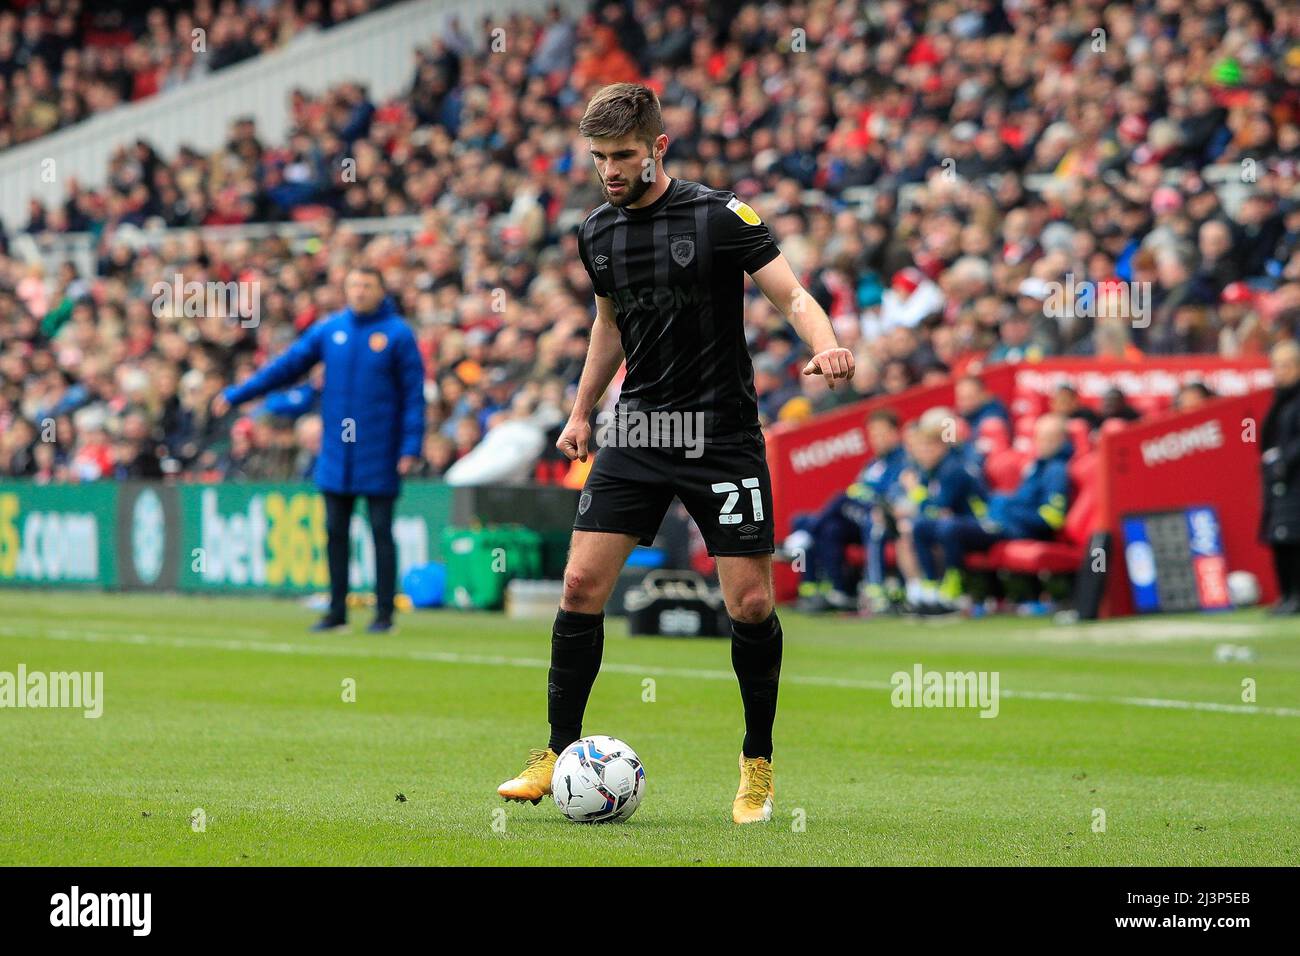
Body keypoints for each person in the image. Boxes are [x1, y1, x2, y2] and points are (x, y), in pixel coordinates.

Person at [495, 83, 854, 824]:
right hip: (639, 430)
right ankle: (557, 752)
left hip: (721, 434)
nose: (610, 171)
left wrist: (826, 345)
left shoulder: (720, 216)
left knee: (750, 602)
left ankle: (757, 763)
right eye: (598, 159)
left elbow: (791, 295)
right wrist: (581, 410)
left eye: (623, 156)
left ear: (659, 147)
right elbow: (609, 324)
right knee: (578, 588)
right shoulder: (596, 230)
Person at [212, 267, 426, 633]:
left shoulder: (397, 335)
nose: (359, 291)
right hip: (336, 453)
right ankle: (336, 611)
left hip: (379, 450)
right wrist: (238, 394)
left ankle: (384, 614)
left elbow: (413, 398)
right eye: (354, 284)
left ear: (380, 290)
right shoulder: (330, 329)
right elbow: (286, 366)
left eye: (367, 285)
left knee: (380, 531)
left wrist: (409, 447)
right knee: (334, 532)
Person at [911, 414, 1073, 613]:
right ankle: (930, 586)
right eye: (1039, 438)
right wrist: (1004, 504)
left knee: (950, 527)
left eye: (1049, 439)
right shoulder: (1037, 466)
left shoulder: (1056, 470)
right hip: (1001, 522)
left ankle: (954, 591)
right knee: (920, 526)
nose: (1041, 444)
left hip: (1013, 528)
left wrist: (1005, 509)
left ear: (1061, 440)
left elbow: (1051, 519)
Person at [788, 409, 907, 613]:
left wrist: (865, 497)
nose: (876, 439)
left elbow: (889, 497)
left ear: (895, 433)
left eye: (881, 433)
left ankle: (807, 533)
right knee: (830, 527)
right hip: (859, 518)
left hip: (883, 519)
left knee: (840, 501)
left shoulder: (903, 461)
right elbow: (859, 489)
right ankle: (838, 590)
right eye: (873, 434)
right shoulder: (872, 464)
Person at [1260, 339, 1300, 615]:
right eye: (1276, 365)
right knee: (1278, 536)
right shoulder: (1277, 401)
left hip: (1296, 479)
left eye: (1286, 365)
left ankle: (1296, 595)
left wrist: (1285, 461)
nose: (1280, 371)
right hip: (1277, 480)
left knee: (1294, 536)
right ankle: (1285, 595)